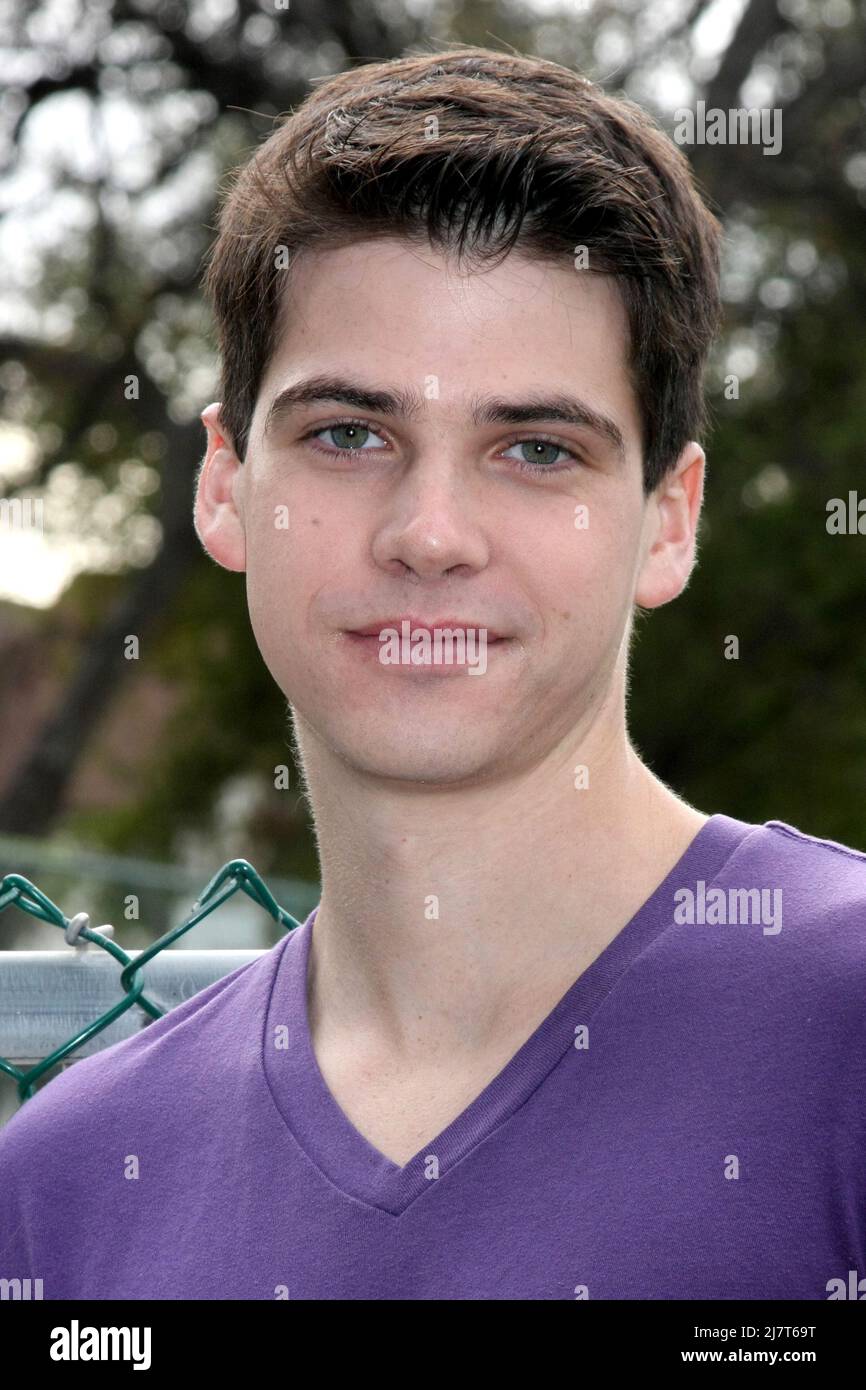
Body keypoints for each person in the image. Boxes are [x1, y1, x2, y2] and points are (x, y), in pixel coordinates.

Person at [1, 46, 863, 1302]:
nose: (429, 532)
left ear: (668, 520)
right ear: (227, 485)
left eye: (533, 449)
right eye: (349, 434)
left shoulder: (841, 1038)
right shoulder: (62, 1194)